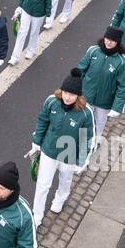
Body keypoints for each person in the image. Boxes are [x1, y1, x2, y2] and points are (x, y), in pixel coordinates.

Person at [27, 67, 95, 226]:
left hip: (69, 155)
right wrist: (37, 141)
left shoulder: (86, 113)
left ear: (78, 96)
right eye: (65, 92)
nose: (67, 97)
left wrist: (81, 161)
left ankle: (61, 197)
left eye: (71, 94)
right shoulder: (52, 101)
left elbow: (87, 139)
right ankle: (37, 216)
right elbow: (42, 121)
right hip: (49, 150)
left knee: (65, 180)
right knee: (43, 185)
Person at [78, 25, 125, 141]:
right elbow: (80, 69)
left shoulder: (121, 62)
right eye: (107, 39)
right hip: (86, 96)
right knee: (83, 121)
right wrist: (73, 89)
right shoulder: (93, 51)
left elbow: (123, 86)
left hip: (104, 102)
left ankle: (95, 142)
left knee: (99, 124)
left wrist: (117, 107)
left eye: (113, 41)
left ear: (118, 42)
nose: (109, 42)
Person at [9, 0, 52, 64]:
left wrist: (48, 15)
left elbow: (48, 0)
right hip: (26, 10)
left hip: (39, 14)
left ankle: (31, 50)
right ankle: (14, 57)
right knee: (22, 33)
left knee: (34, 33)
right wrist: (19, 8)